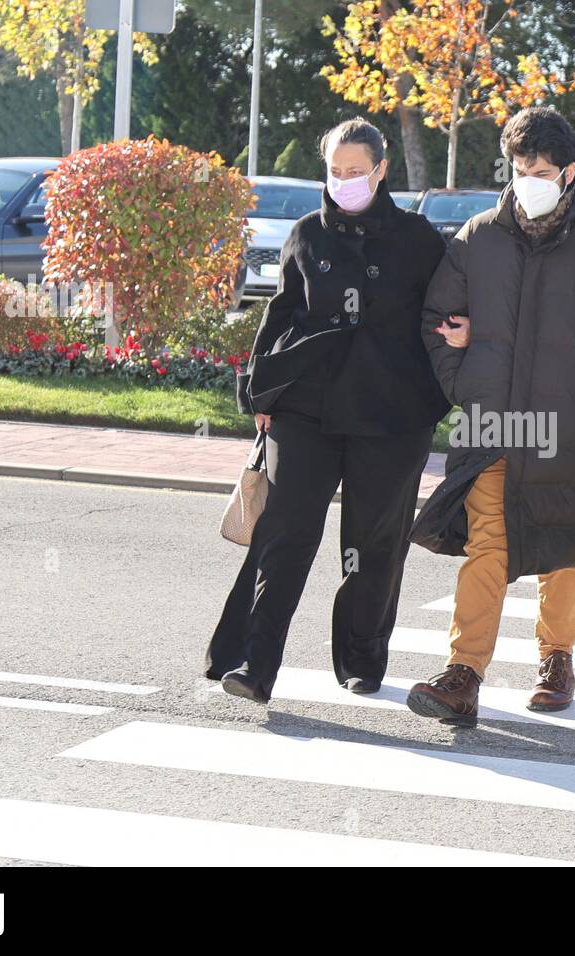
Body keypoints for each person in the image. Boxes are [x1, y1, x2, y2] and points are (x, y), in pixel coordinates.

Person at [405, 106, 575, 726]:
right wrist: (465, 382)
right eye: (520, 169)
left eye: (541, 170)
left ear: (569, 173)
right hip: (491, 424)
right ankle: (463, 675)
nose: (528, 180)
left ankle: (556, 658)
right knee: (486, 544)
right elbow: (436, 322)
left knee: (560, 547)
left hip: (568, 431)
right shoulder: (478, 237)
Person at [206, 117, 450, 705]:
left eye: (355, 172)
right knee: (284, 535)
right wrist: (261, 397)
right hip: (306, 408)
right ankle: (253, 664)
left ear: (381, 170)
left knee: (372, 544)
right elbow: (280, 316)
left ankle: (362, 661)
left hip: (392, 416)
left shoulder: (419, 240)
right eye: (334, 172)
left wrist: (457, 338)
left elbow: (445, 313)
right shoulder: (307, 234)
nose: (343, 181)